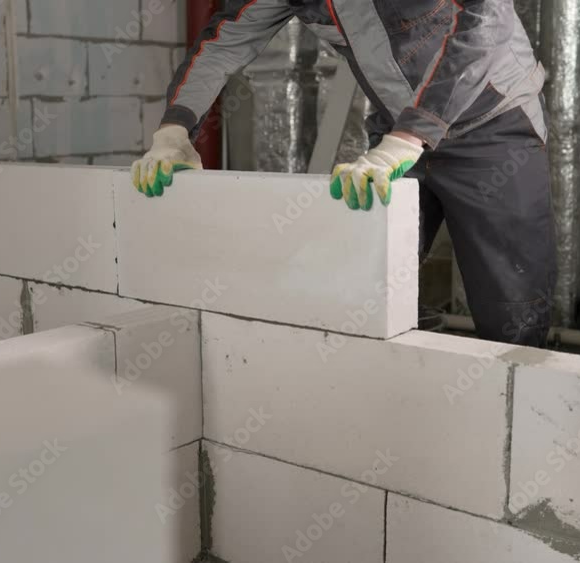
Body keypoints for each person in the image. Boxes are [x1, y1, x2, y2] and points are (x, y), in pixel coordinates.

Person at [131, 0, 556, 347]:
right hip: (398, 133)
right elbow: (224, 42)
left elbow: (485, 22)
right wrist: (173, 131)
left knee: (513, 318)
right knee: (360, 294)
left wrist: (410, 137)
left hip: (493, 128)